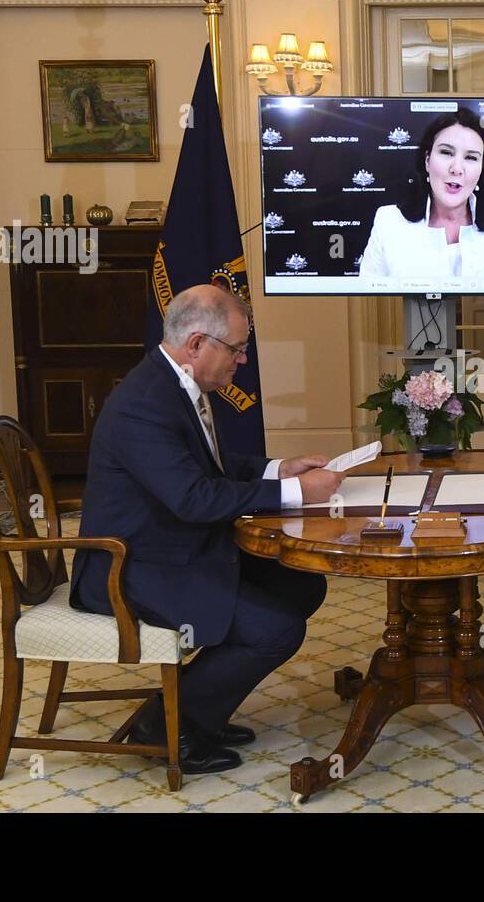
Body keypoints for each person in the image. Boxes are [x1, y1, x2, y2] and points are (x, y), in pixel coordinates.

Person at [70, 284, 345, 774]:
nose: (242, 361)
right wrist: (302, 494)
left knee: (301, 584)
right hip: (129, 568)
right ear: (197, 344)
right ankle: (167, 725)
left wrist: (279, 469)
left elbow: (209, 465)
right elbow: (193, 497)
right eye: (237, 349)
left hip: (171, 549)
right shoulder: (146, 402)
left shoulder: (174, 383)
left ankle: (201, 709)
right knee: (278, 629)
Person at [358, 107, 484, 283]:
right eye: (446, 153)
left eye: (471, 157)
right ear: (427, 160)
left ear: (482, 169)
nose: (457, 168)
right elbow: (368, 301)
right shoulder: (388, 222)